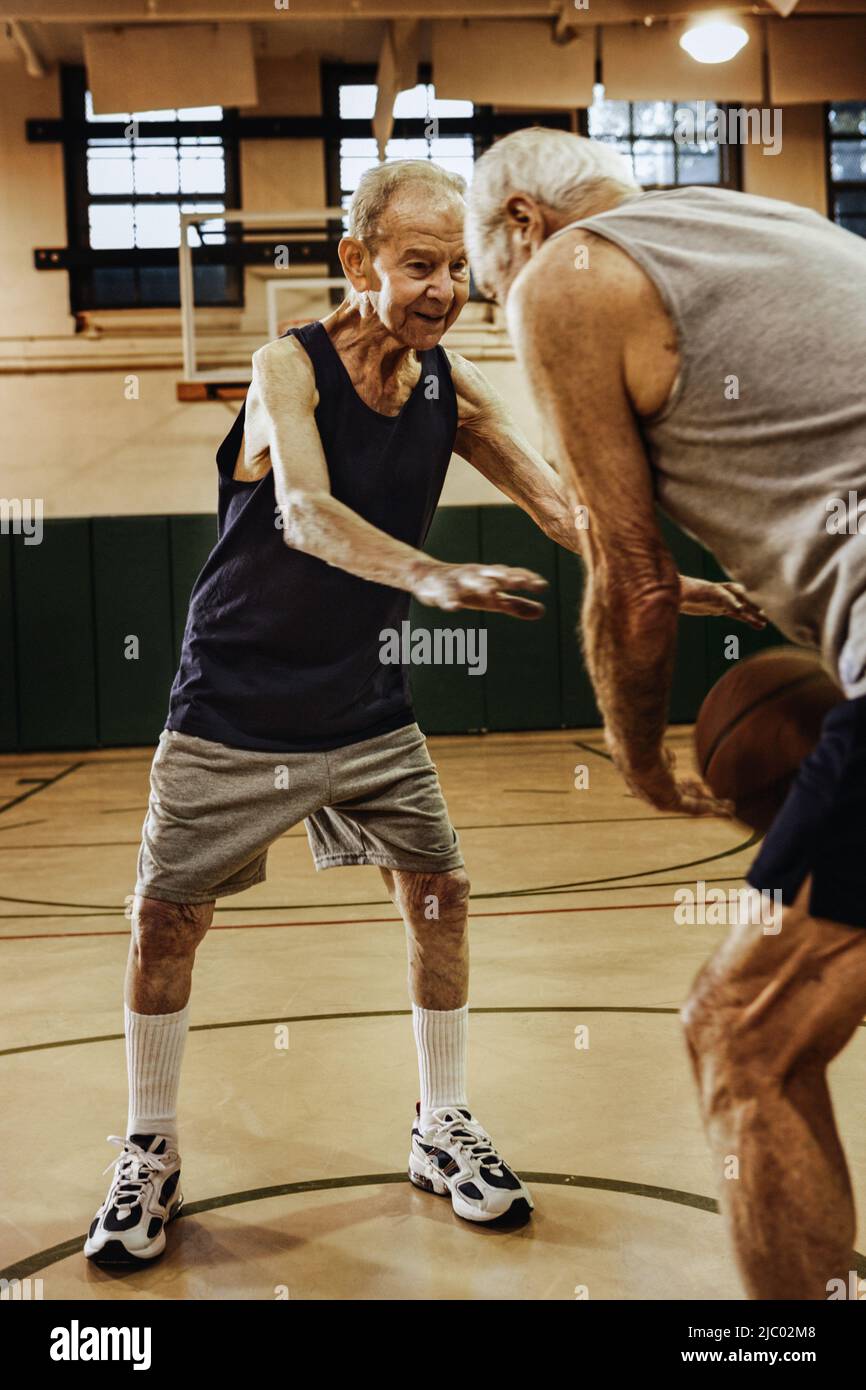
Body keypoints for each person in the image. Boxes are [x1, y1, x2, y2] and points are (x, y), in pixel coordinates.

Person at [85, 156, 758, 1265]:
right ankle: (149, 1147)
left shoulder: (448, 384)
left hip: (362, 707)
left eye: (456, 266)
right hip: (234, 700)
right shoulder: (282, 369)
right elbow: (302, 511)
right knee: (167, 919)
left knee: (438, 890)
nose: (445, 287)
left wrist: (663, 579)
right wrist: (426, 576)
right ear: (357, 261)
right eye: (417, 264)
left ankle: (438, 1123)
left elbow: (557, 505)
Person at [466, 126, 866, 1299]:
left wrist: (636, 754)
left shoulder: (566, 275)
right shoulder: (775, 228)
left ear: (523, 229)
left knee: (740, 1035)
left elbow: (629, 581)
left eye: (489, 290)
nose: (502, 313)